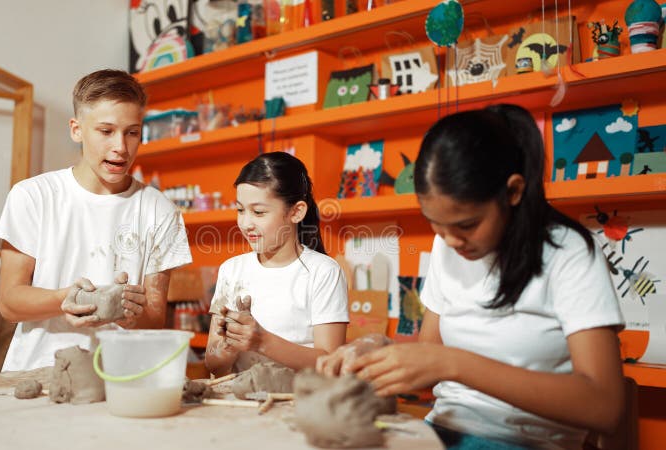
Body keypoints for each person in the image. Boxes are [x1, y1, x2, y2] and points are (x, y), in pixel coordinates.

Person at [317, 104, 625, 449]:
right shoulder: (448, 245)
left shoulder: (569, 252)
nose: (450, 240)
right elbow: (427, 359)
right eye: (436, 224)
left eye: (466, 225)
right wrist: (373, 350)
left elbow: (604, 406)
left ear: (513, 191)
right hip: (442, 429)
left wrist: (455, 364)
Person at [0, 69, 192, 371]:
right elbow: (9, 302)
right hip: (37, 373)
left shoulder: (159, 210)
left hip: (119, 378)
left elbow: (154, 317)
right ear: (77, 129)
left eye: (132, 132)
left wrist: (130, 313)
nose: (121, 148)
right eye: (106, 131)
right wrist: (66, 299)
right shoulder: (33, 196)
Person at [205, 152, 349, 376]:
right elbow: (213, 364)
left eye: (258, 212)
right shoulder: (231, 270)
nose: (245, 223)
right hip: (241, 402)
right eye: (240, 210)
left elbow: (331, 363)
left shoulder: (323, 272)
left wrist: (261, 341)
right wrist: (229, 344)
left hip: (299, 403)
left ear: (296, 211)